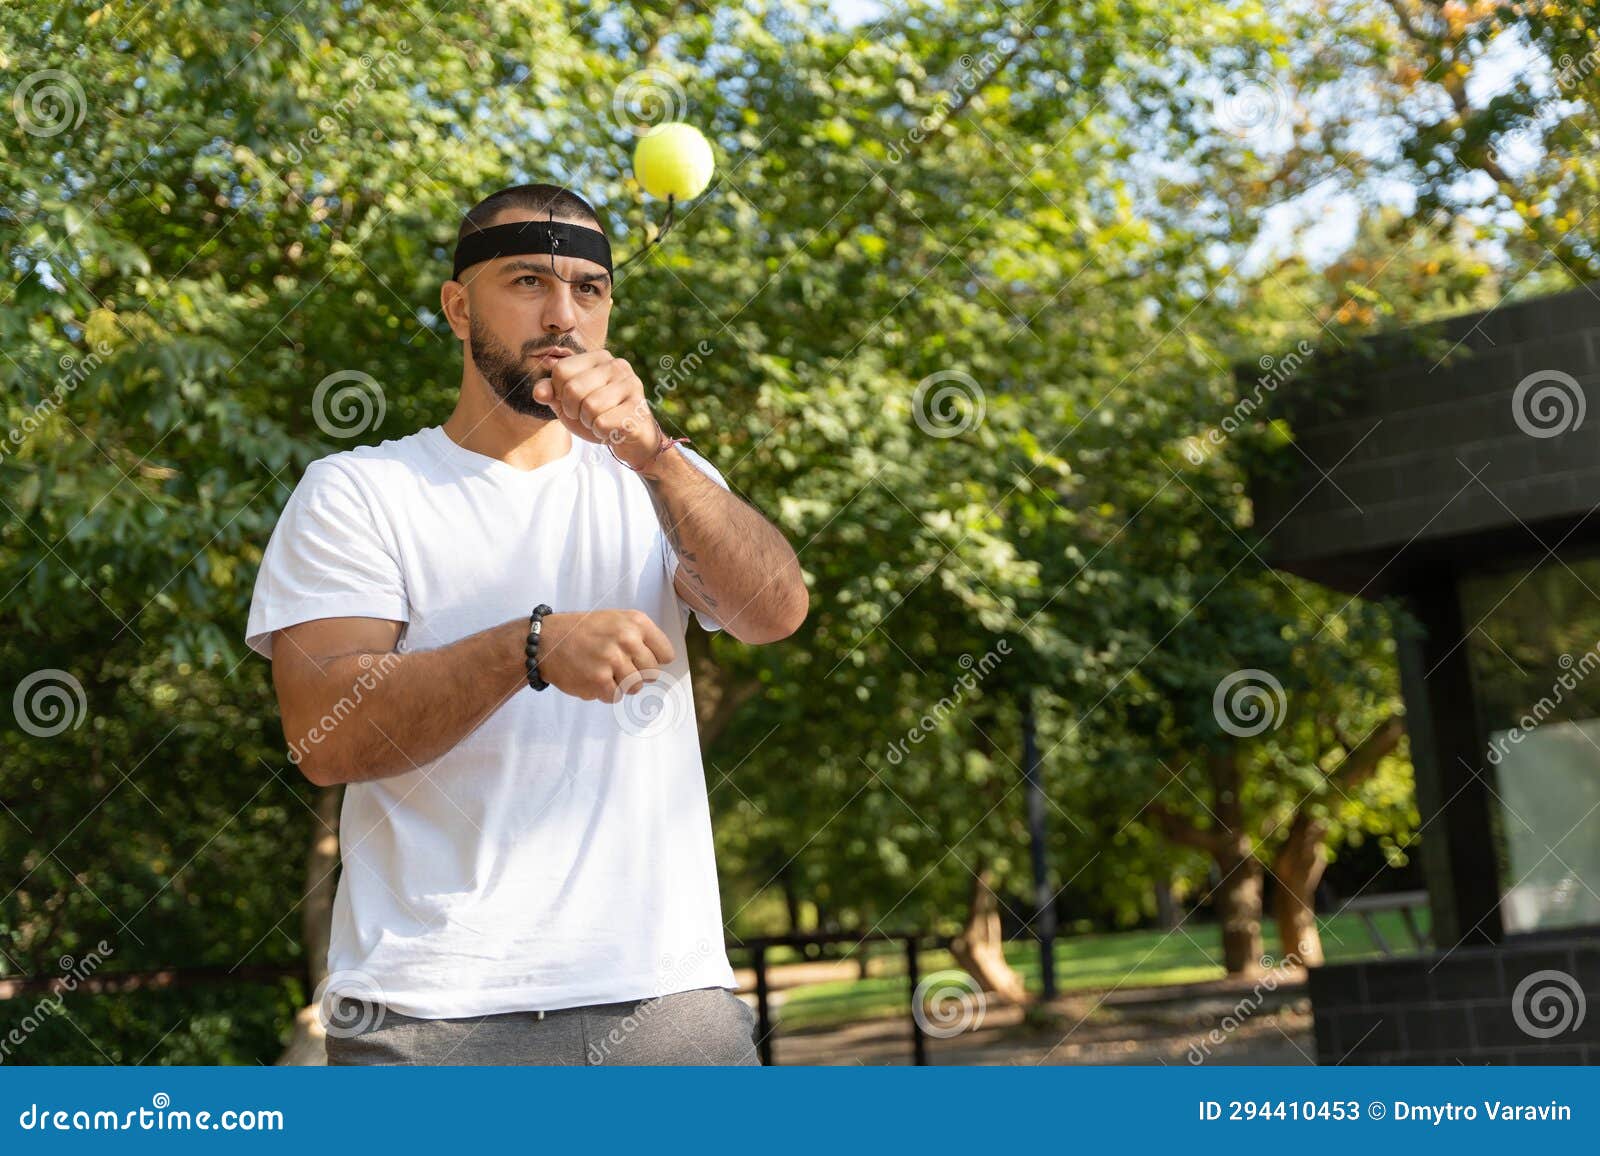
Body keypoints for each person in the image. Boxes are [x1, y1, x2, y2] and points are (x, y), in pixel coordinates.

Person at [244, 182, 808, 1065]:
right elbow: (326, 735)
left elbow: (774, 611)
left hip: (664, 1004)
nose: (562, 316)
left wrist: (653, 452)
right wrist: (530, 648)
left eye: (589, 289)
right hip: (427, 1014)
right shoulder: (359, 491)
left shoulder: (664, 475)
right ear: (459, 306)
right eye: (528, 282)